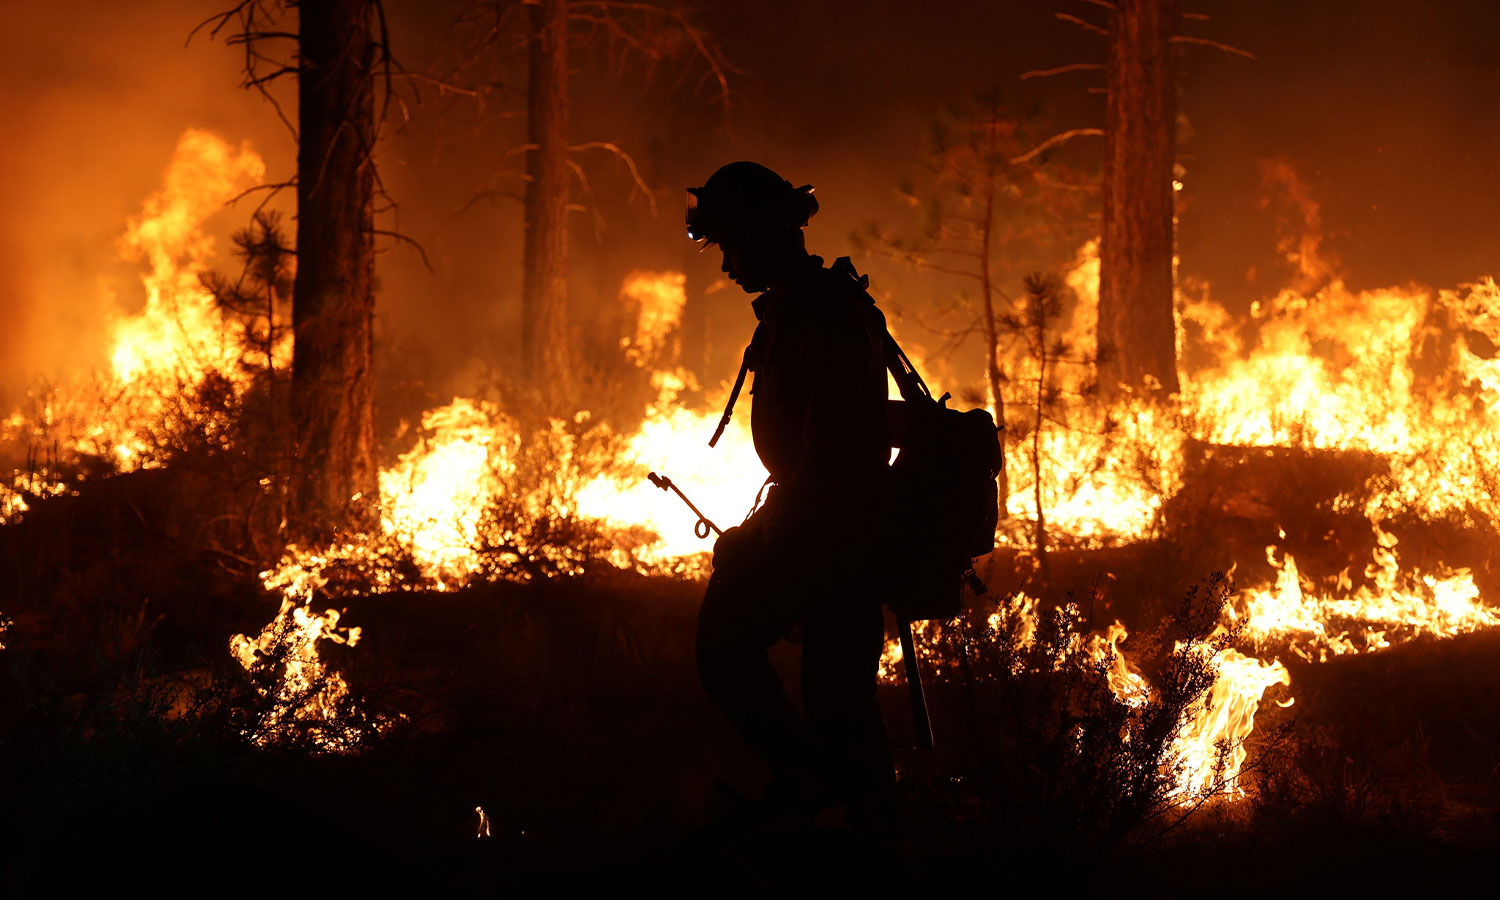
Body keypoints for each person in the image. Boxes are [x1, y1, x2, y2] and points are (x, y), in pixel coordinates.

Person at [687, 161, 894, 819]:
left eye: (732, 245)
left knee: (741, 653)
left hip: (836, 537)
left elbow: (832, 447)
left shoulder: (821, 313)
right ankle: (833, 807)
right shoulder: (799, 308)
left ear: (767, 233)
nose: (726, 265)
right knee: (840, 702)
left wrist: (766, 540)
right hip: (825, 529)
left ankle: (841, 817)